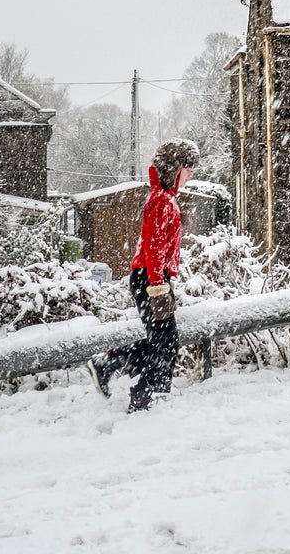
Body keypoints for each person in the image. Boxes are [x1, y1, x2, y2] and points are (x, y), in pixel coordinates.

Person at [87, 139, 200, 412]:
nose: (191, 175)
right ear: (176, 168)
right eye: (188, 169)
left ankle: (111, 365)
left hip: (152, 277)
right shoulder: (161, 201)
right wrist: (159, 286)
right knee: (166, 343)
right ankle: (145, 396)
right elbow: (153, 246)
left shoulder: (166, 198)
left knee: (162, 342)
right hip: (150, 279)